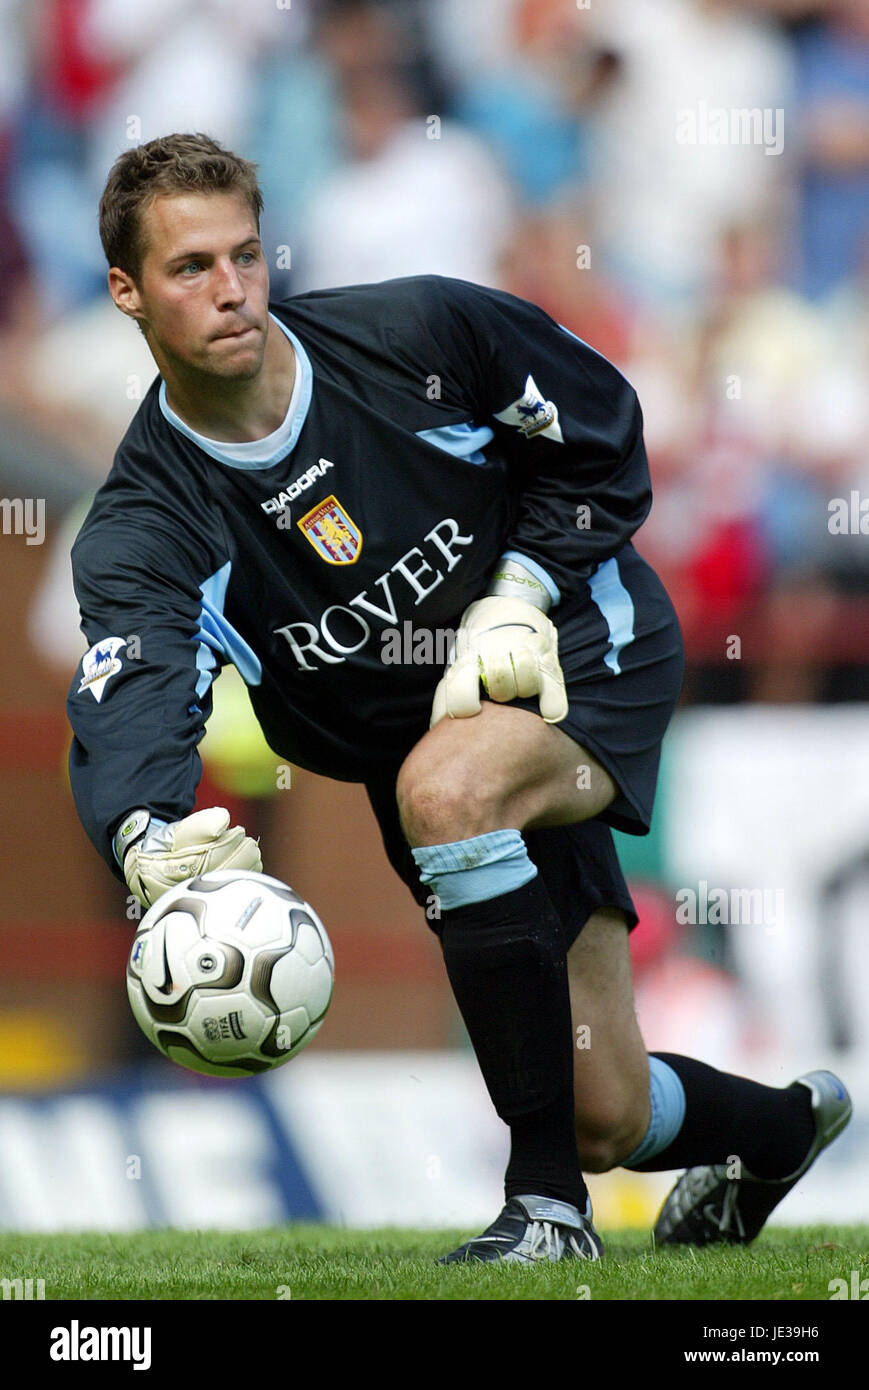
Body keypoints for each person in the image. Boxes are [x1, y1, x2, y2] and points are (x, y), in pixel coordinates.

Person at [67, 133, 851, 1263]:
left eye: (243, 254)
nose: (231, 288)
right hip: (427, 741)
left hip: (582, 639)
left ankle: (545, 1213)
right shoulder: (147, 523)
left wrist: (520, 590)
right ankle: (778, 1130)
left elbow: (600, 428)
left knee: (447, 792)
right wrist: (143, 834)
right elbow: (132, 687)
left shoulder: (418, 334)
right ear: (127, 291)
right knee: (604, 1110)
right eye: (191, 268)